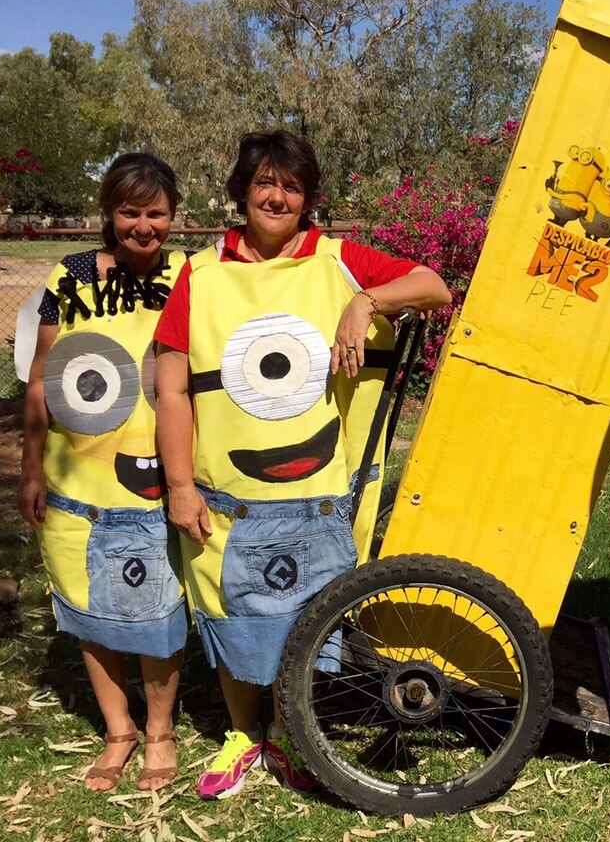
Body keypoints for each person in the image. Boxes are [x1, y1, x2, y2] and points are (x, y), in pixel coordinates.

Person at [154, 129, 450, 800]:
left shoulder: (340, 261)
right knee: (232, 612)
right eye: (265, 182)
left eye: (291, 186)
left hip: (319, 493)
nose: (277, 195)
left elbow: (432, 287)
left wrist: (366, 300)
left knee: (309, 619)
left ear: (307, 198)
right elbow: (171, 386)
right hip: (225, 493)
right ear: (241, 191)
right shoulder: (200, 275)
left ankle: (289, 730)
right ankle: (240, 733)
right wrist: (177, 486)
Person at [18, 153, 187, 792]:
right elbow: (41, 379)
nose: (143, 226)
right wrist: (33, 467)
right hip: (77, 480)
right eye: (129, 212)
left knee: (160, 609)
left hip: (157, 473)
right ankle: (119, 730)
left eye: (156, 213)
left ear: (173, 216)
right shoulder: (73, 274)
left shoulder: (191, 275)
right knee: (89, 607)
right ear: (109, 214)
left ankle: (162, 731)